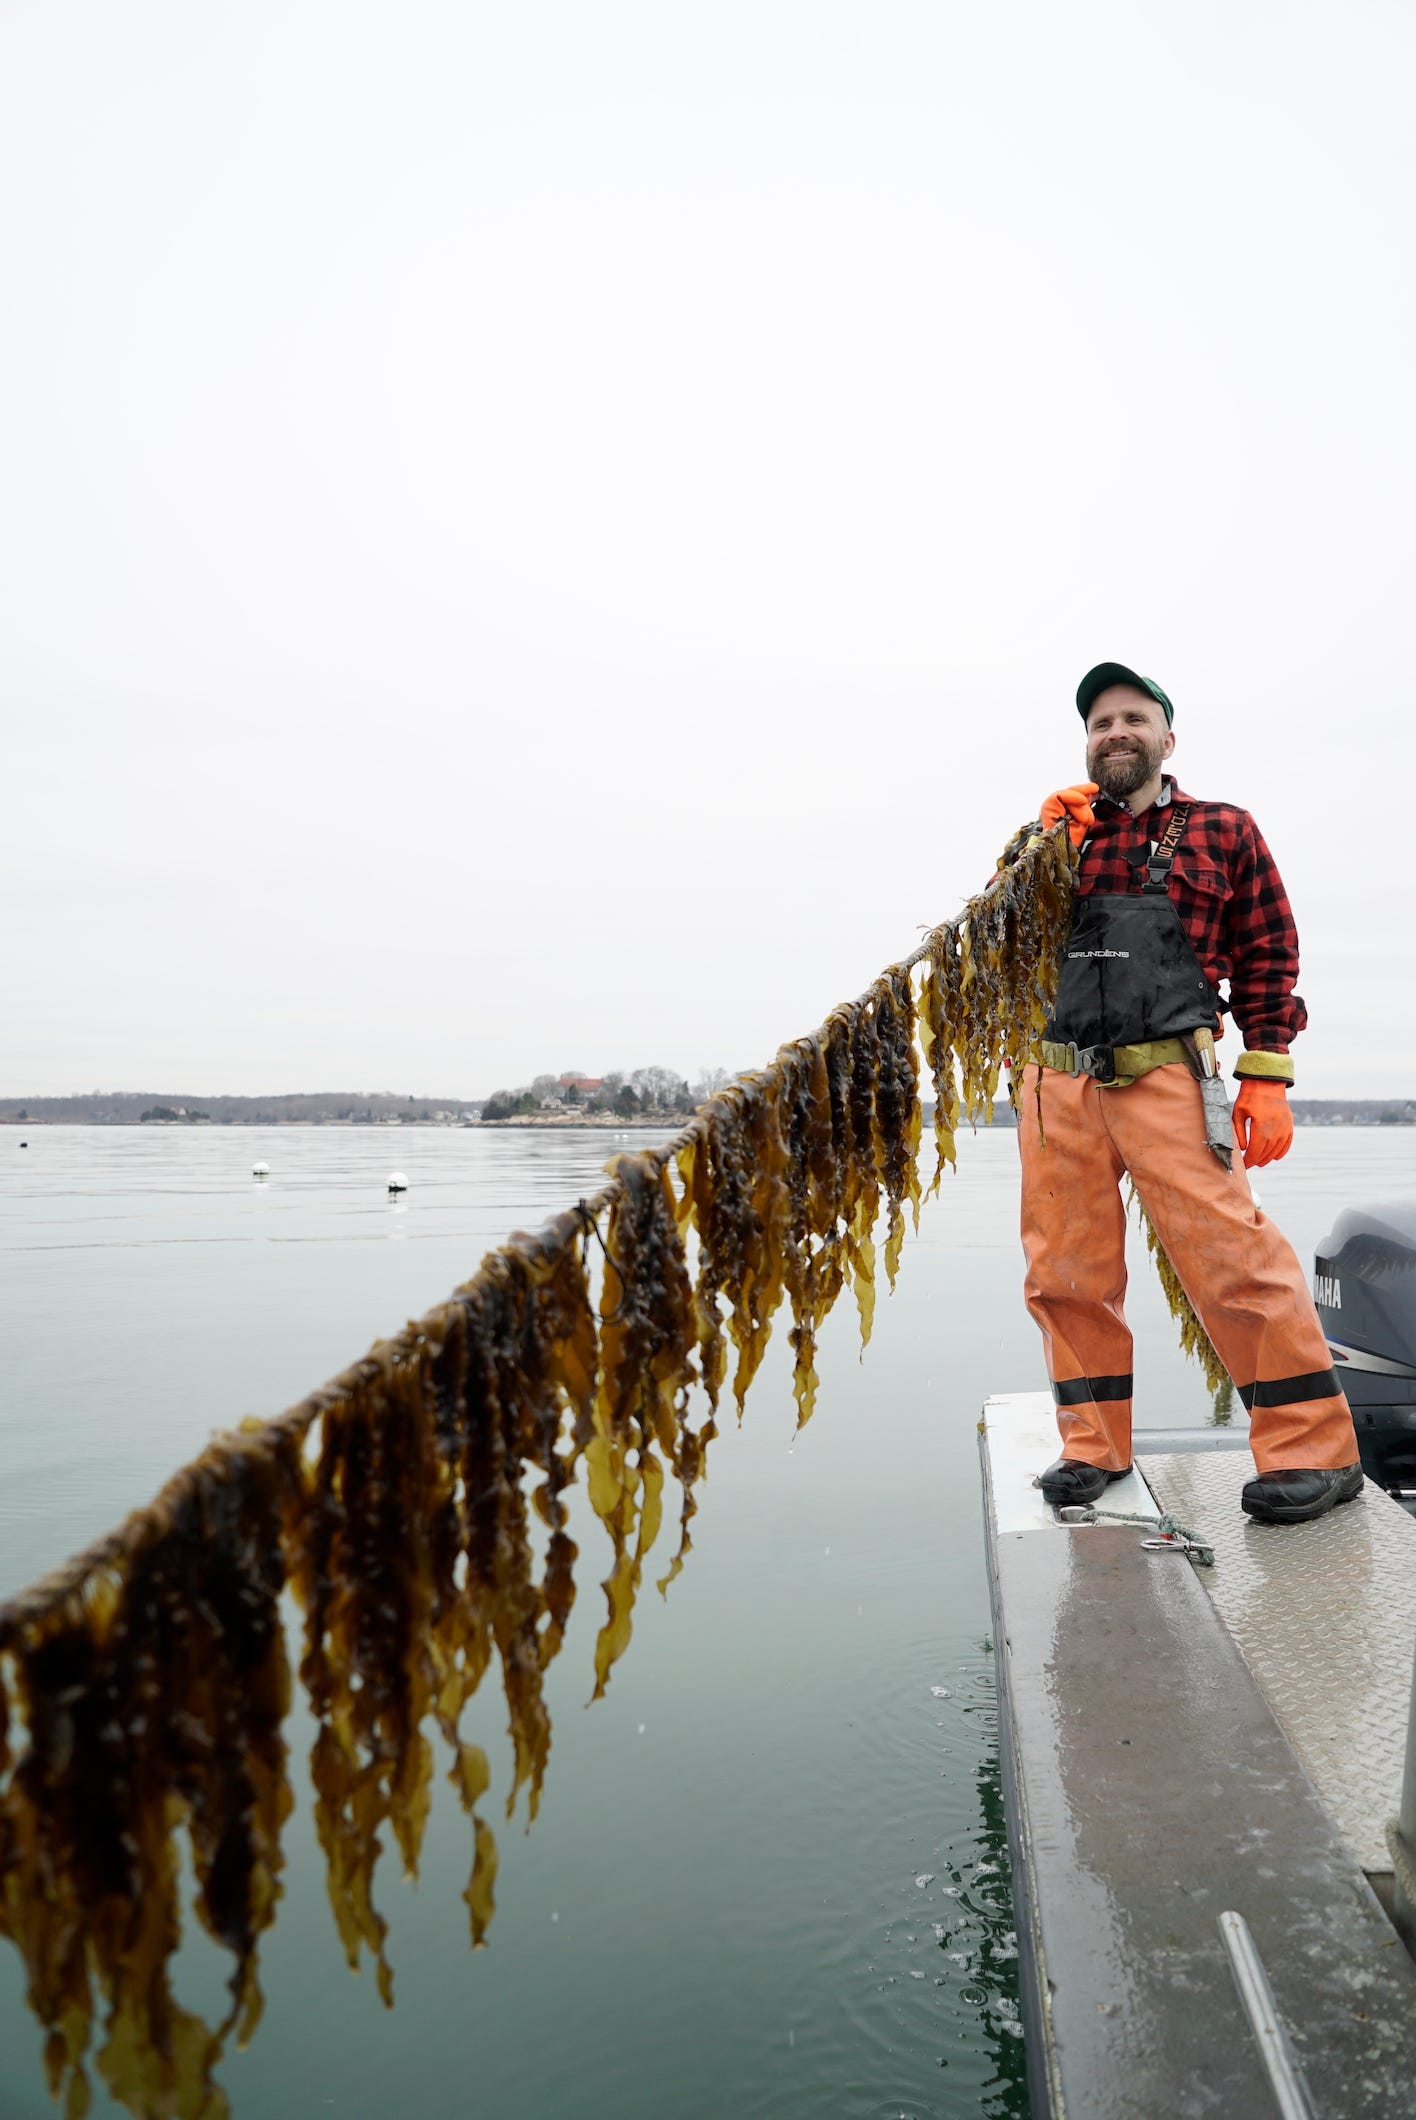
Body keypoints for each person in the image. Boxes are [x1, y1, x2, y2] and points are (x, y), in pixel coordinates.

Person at [1021, 660, 1361, 1525]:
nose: (1116, 733)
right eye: (1100, 724)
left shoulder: (1222, 829)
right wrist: (1033, 855)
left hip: (1168, 1075)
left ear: (1168, 738)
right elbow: (997, 946)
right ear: (1088, 746)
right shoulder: (1058, 840)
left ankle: (1315, 1454)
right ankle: (1094, 1444)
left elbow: (1268, 957)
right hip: (1057, 1082)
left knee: (1234, 1263)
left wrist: (1266, 1076)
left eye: (1133, 718)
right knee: (1065, 1275)